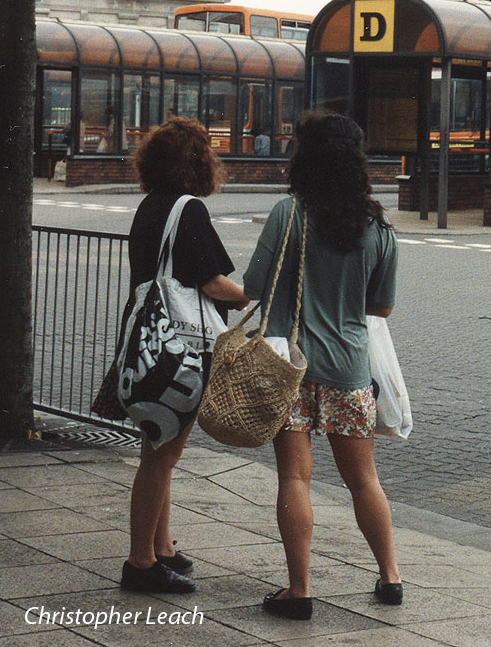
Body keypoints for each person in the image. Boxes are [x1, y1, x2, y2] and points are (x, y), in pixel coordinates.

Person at [244, 112, 401, 620]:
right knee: (364, 480)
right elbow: (381, 307)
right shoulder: (377, 228)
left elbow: (253, 286)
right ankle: (391, 577)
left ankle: (301, 590)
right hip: (351, 371)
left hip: (288, 367)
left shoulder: (287, 213)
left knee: (295, 478)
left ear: (304, 158)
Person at [120, 117, 249, 593]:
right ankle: (139, 563)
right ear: (198, 163)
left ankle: (162, 547)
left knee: (157, 446)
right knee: (162, 454)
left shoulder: (150, 205)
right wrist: (246, 295)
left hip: (148, 341)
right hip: (181, 348)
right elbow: (211, 282)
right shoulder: (188, 208)